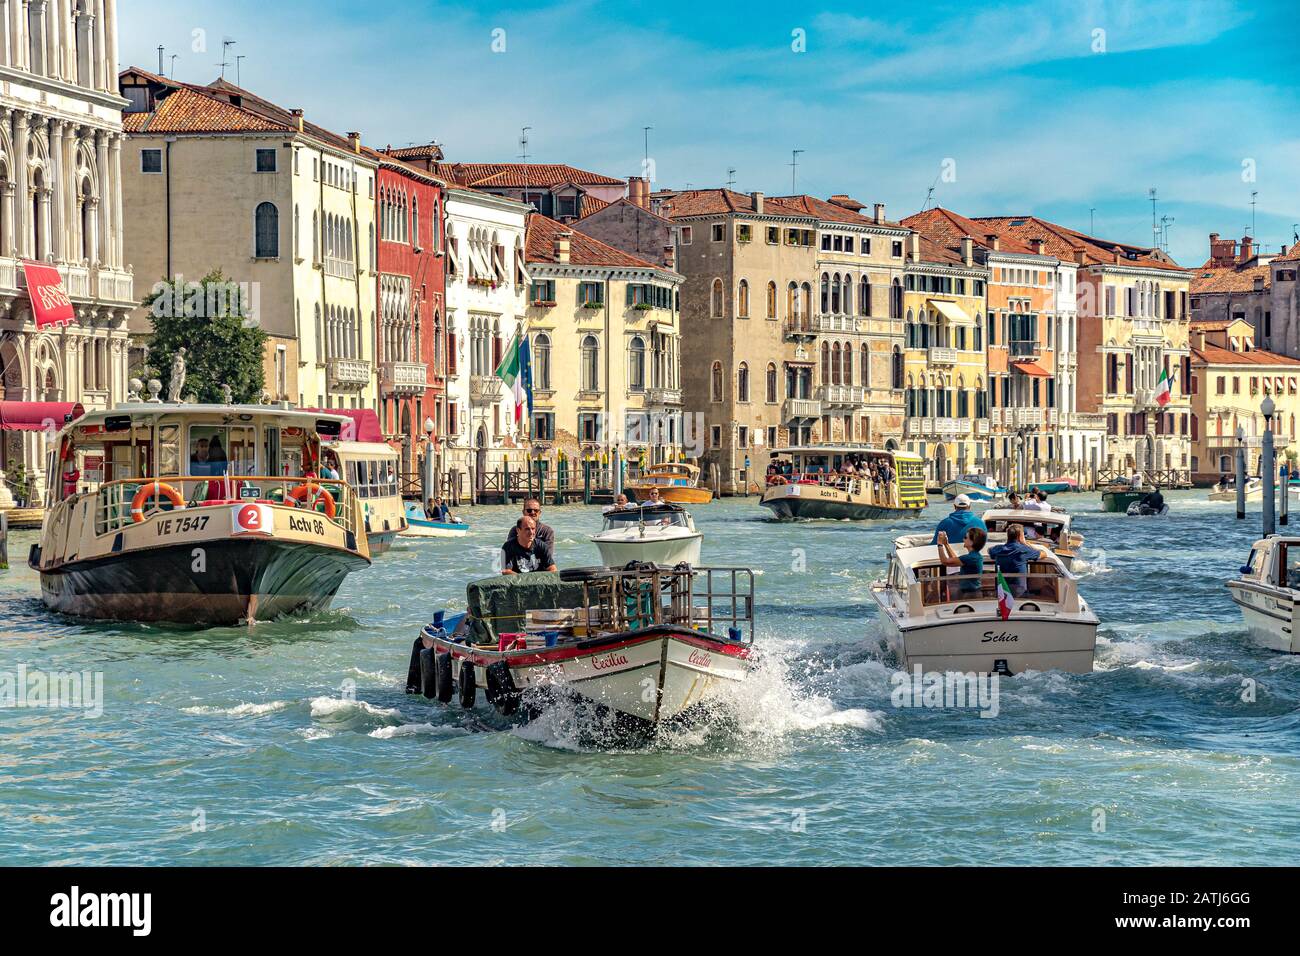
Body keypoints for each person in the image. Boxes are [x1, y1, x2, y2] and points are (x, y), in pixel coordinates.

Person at [988, 522, 1053, 597]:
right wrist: (1025, 543)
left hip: (1001, 594)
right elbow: (1043, 554)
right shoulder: (1023, 550)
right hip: (1019, 594)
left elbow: (989, 550)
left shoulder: (997, 549)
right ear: (1020, 537)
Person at [937, 527, 987, 596]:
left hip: (970, 594)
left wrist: (939, 544)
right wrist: (946, 544)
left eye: (965, 537)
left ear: (972, 542)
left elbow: (945, 561)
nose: (963, 539)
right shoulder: (975, 556)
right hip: (972, 592)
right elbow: (954, 559)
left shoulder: (970, 558)